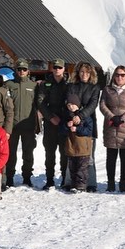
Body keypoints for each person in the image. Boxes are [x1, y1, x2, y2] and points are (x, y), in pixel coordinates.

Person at [100, 65, 125, 192]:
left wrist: (122, 118)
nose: (120, 77)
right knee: (111, 156)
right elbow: (102, 105)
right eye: (117, 75)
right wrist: (112, 117)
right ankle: (110, 182)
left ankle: (123, 182)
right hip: (111, 126)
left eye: (122, 75)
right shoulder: (107, 90)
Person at [64, 62, 101, 191]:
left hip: (88, 124)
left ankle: (91, 183)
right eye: (82, 72)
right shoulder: (72, 86)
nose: (84, 74)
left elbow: (93, 104)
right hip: (72, 124)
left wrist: (80, 116)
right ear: (78, 73)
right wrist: (72, 116)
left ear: (91, 74)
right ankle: (69, 182)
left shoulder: (94, 88)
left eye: (87, 72)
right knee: (72, 154)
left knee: (88, 155)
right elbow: (68, 102)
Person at [35, 59, 69, 189]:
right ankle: (49, 180)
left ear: (64, 69)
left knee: (64, 153)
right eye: (55, 67)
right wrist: (50, 117)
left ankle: (65, 180)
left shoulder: (69, 84)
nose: (57, 70)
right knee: (50, 152)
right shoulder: (46, 83)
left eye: (60, 67)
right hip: (51, 122)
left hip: (65, 121)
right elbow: (41, 102)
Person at [6, 59, 38, 188]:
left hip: (28, 125)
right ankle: (9, 178)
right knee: (10, 154)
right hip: (12, 125)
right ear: (16, 71)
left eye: (24, 69)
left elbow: (38, 105)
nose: (22, 72)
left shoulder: (34, 85)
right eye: (19, 69)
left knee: (28, 153)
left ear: (28, 71)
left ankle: (27, 177)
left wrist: (38, 124)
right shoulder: (9, 85)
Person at [63, 94, 94, 192]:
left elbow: (89, 130)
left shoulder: (85, 116)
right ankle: (73, 184)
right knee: (72, 167)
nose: (71, 107)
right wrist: (67, 126)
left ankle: (81, 186)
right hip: (72, 147)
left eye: (73, 104)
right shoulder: (66, 116)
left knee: (82, 168)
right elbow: (61, 130)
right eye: (68, 105)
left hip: (83, 147)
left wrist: (77, 129)